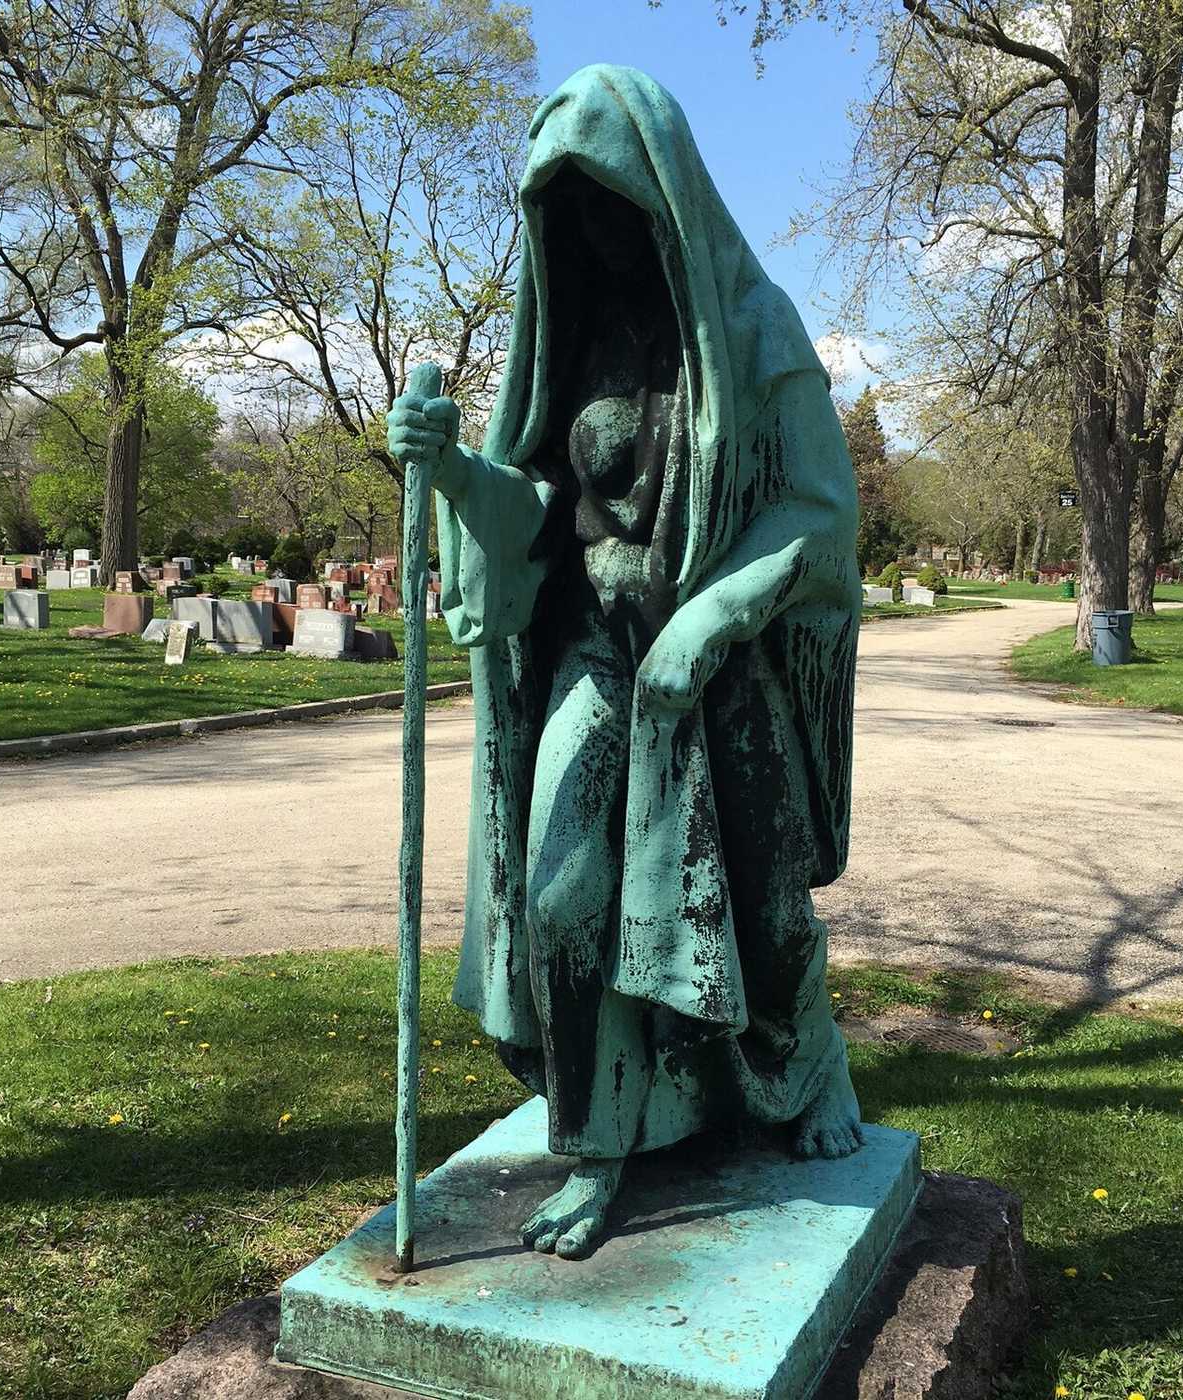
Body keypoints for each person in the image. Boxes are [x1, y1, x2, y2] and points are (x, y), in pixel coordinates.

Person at [386, 64, 863, 1261]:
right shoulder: (577, 336)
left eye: (607, 199)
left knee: (761, 909)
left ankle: (810, 1072)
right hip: (599, 657)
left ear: (660, 190)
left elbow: (818, 511)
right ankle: (596, 1145)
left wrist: (710, 618)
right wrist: (446, 469)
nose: (591, 230)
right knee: (559, 894)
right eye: (564, 209)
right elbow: (534, 512)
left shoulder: (755, 328)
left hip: (719, 667)